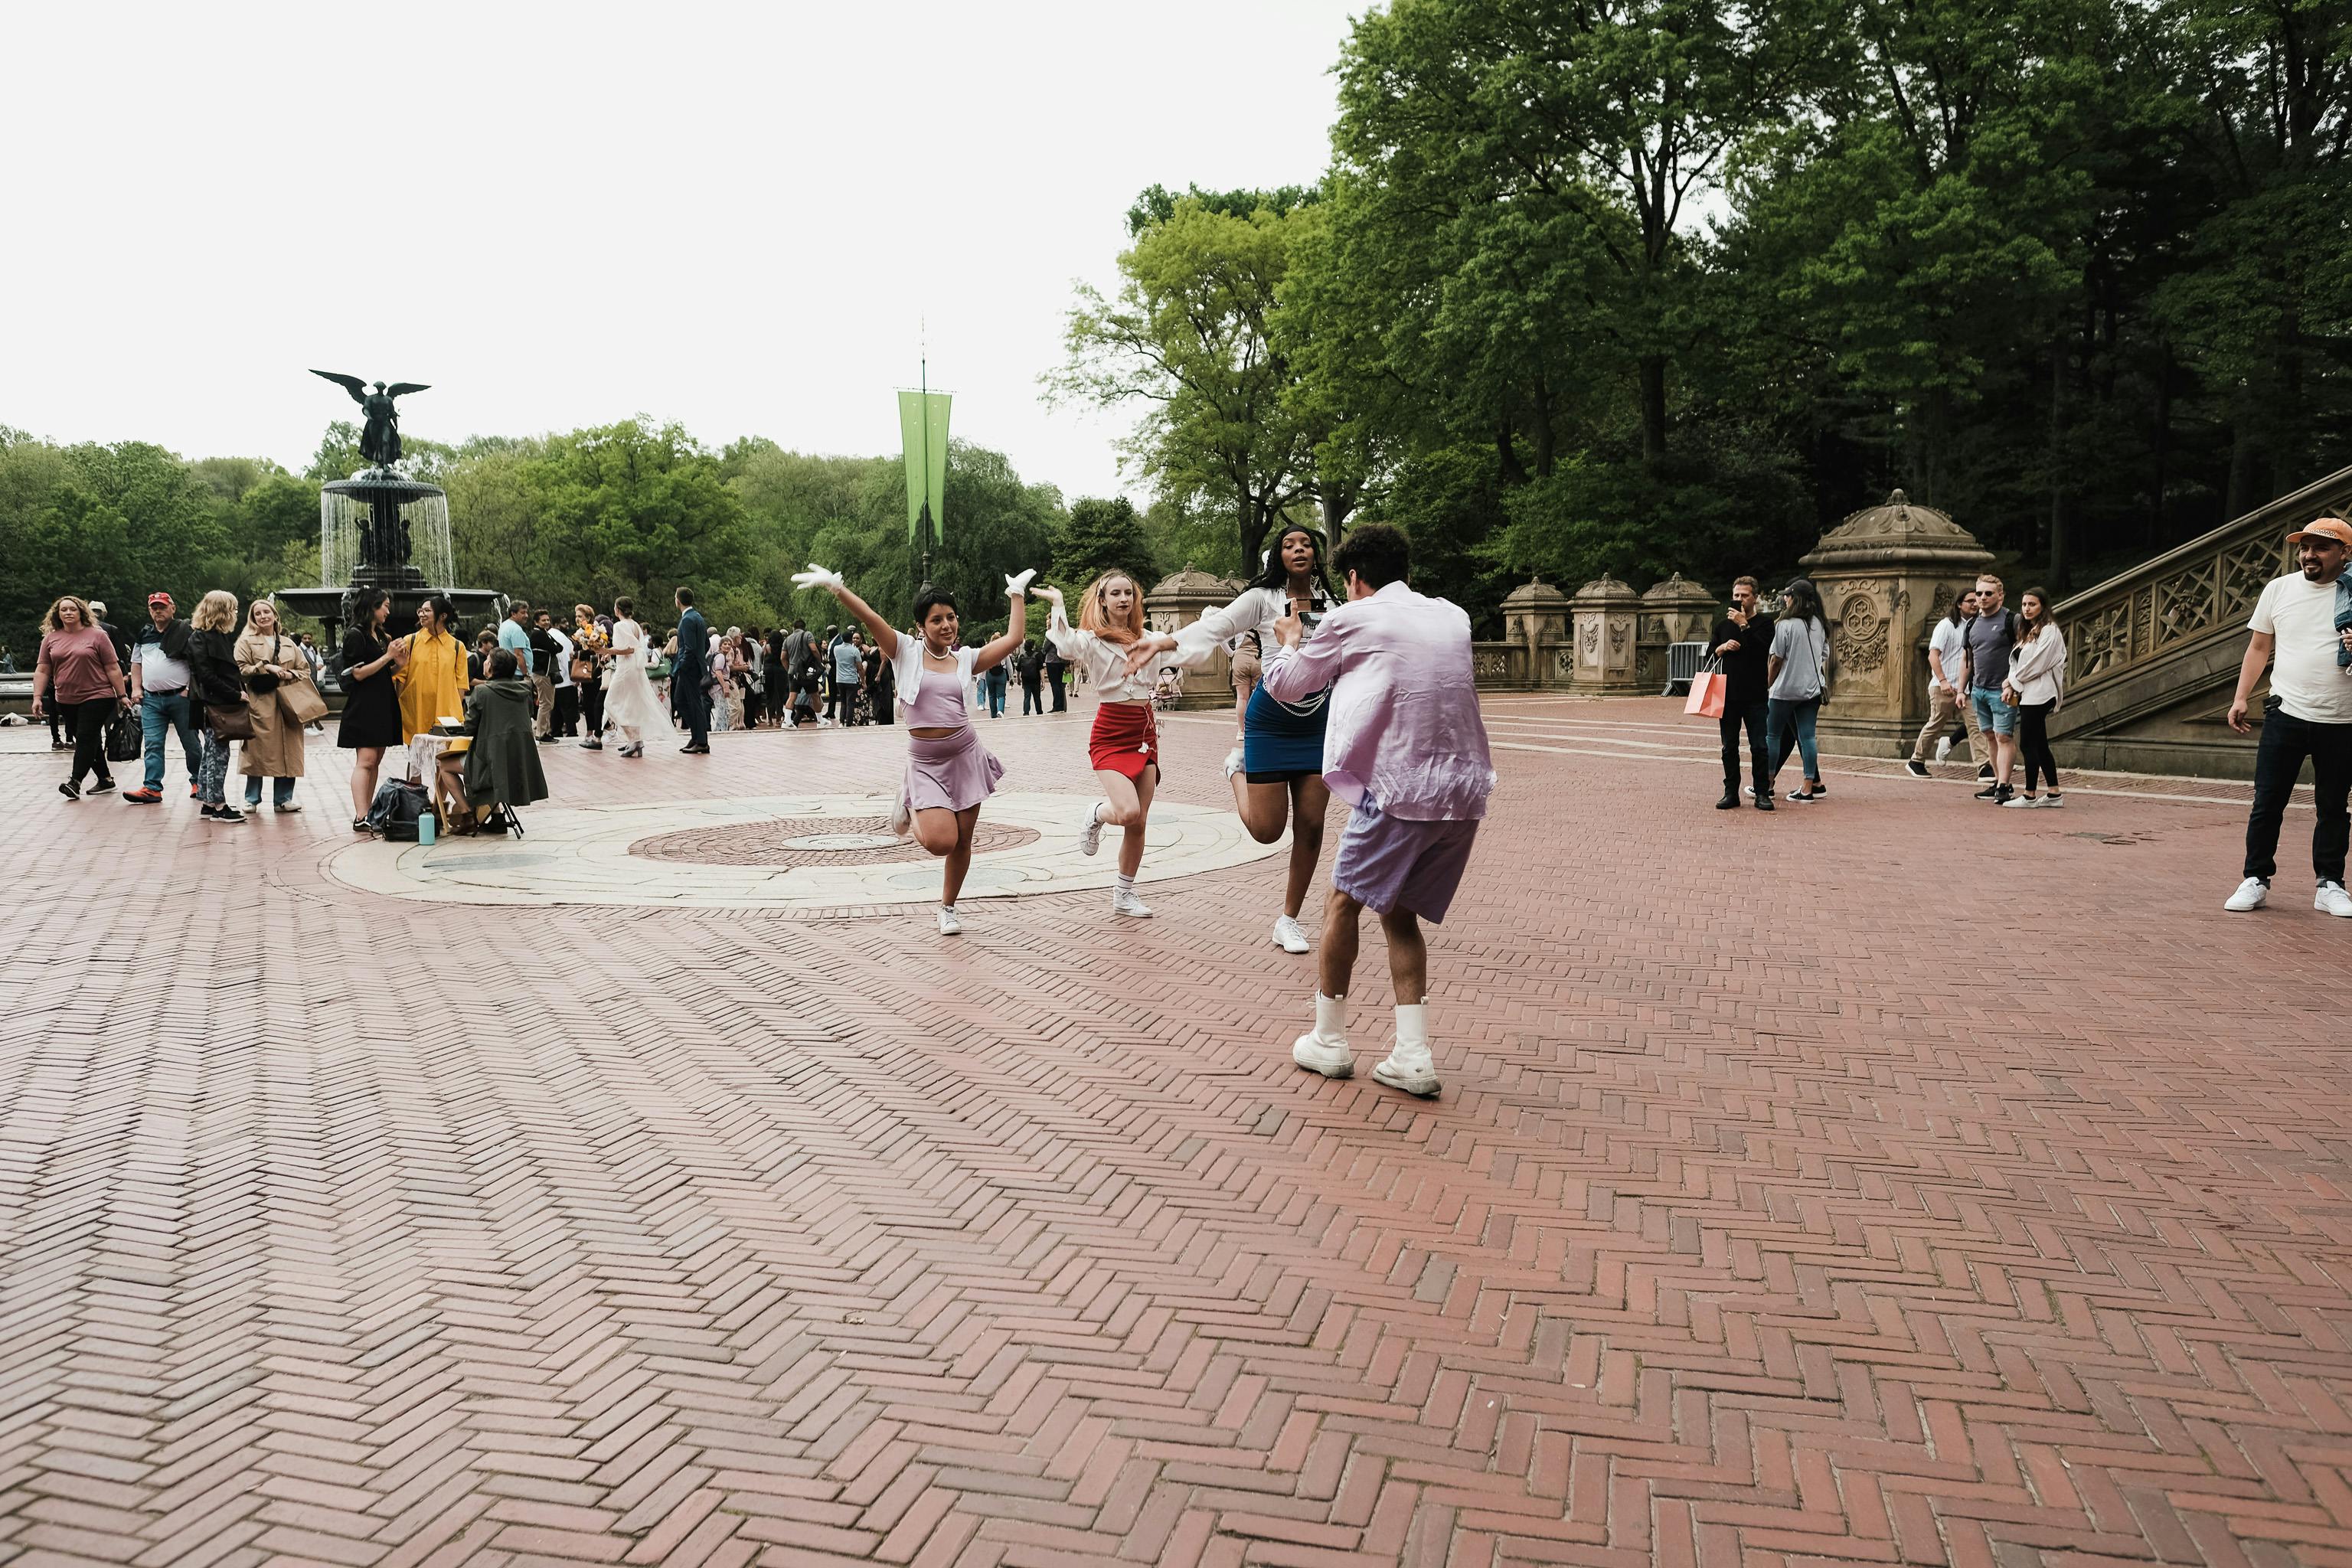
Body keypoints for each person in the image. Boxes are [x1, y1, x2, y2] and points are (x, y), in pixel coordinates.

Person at [1270, 525, 1494, 1098]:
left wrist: (1288, 641)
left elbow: (1291, 688)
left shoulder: (1353, 617)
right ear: (1407, 570)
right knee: (1397, 911)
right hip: (1464, 791)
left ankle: (1329, 1040)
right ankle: (1413, 1056)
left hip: (1399, 787)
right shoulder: (1453, 616)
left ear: (1353, 579)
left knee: (1341, 901)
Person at [795, 561, 1035, 933]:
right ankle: (909, 800)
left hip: (966, 756)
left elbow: (1013, 639)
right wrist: (837, 589)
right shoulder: (902, 650)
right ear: (921, 626)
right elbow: (872, 618)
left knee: (962, 843)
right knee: (942, 842)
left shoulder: (966, 658)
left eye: (951, 617)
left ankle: (948, 907)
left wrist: (1016, 594)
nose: (947, 625)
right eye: (937, 619)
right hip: (924, 762)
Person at [1138, 523, 1339, 956]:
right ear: (1278, 556)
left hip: (1318, 721)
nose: (1299, 549)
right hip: (1271, 720)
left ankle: (1289, 920)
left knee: (1312, 825)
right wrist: (1161, 644)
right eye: (1289, 545)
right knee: (1268, 832)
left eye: (1306, 543)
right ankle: (1235, 768)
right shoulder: (1262, 600)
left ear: (1316, 553)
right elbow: (1213, 629)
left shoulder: (1333, 603)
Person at [2226, 516, 2352, 914]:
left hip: (2342, 718)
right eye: (2304, 547)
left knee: (2333, 806)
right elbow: (2259, 647)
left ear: (2345, 553)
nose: (2309, 555)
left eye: (2321, 547)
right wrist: (2241, 696)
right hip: (2286, 712)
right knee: (2268, 801)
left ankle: (2330, 883)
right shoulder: (2279, 589)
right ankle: (2255, 878)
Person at [1040, 573, 1164, 918]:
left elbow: (1185, 648)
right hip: (1110, 733)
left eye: (1129, 592)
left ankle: (1124, 893)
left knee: (1139, 823)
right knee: (1127, 813)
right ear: (1103, 601)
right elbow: (1064, 645)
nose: (1124, 598)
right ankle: (1096, 813)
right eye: (1116, 593)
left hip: (1144, 731)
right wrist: (1059, 604)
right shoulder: (1092, 641)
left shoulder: (1151, 638)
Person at [31, 596, 127, 801]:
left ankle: (75, 782)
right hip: (66, 698)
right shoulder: (51, 638)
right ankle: (105, 779)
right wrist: (37, 697)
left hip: (98, 695)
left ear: (81, 612)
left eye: (72, 609)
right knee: (89, 739)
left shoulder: (98, 636)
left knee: (85, 737)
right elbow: (43, 669)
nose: (68, 613)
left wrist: (122, 695)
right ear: (57, 614)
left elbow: (112, 667)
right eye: (63, 610)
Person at [233, 599, 311, 813]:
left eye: (267, 612)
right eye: (258, 614)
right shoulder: (245, 642)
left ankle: (284, 799)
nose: (263, 616)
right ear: (253, 618)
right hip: (260, 701)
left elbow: (305, 671)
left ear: (275, 615)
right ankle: (251, 798)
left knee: (289, 749)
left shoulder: (289, 643)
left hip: (288, 702)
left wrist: (288, 673)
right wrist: (266, 667)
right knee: (257, 750)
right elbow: (240, 670)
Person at [122, 592, 201, 805]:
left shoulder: (186, 631)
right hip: (151, 699)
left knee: (191, 743)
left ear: (172, 608)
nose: (158, 611)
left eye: (162, 607)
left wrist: (189, 688)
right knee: (153, 744)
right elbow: (136, 663)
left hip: (181, 697)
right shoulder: (144, 634)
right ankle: (152, 787)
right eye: (154, 607)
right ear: (149, 610)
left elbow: (197, 662)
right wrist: (136, 688)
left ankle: (199, 782)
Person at [459, 649, 549, 832]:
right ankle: (497, 816)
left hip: (489, 762)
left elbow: (469, 727)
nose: (484, 663)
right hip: (519, 761)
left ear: (492, 667)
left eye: (487, 660)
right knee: (495, 756)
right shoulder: (524, 689)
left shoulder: (482, 692)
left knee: (444, 766)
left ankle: (467, 815)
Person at [338, 588, 403, 833]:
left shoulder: (380, 635)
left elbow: (383, 673)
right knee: (365, 760)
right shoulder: (356, 635)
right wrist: (388, 657)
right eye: (384, 605)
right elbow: (358, 673)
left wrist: (399, 665)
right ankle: (360, 815)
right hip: (364, 704)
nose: (388, 610)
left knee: (375, 761)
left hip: (382, 702)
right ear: (371, 607)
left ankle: (368, 813)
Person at [1707, 577, 1775, 811]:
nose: (1739, 600)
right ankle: (1730, 793)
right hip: (1728, 695)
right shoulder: (1723, 626)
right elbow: (1709, 654)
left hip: (1755, 694)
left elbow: (1760, 651)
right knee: (1729, 747)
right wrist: (1722, 647)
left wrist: (1744, 624)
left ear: (1755, 597)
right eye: (1736, 595)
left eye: (1744, 595)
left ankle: (1762, 793)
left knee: (1759, 746)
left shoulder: (1765, 624)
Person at [1999, 588, 2067, 808]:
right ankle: (2054, 793)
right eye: (2024, 604)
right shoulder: (2027, 632)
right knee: (2039, 743)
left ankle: (2029, 795)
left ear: (2043, 607)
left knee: (2028, 743)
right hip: (2029, 693)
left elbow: (2038, 664)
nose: (2027, 609)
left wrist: (2012, 682)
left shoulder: (2050, 631)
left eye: (2032, 604)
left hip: (2041, 693)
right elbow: (2016, 663)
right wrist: (2011, 683)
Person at [1766, 579, 1831, 803]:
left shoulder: (1784, 625)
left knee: (1772, 736)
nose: (1785, 598)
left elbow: (1776, 659)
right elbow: (1824, 654)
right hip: (1811, 689)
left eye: (1787, 595)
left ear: (1795, 598)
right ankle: (1807, 788)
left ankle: (1768, 783)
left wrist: (1768, 684)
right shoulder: (1819, 624)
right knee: (1808, 737)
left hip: (1784, 689)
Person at [1958, 573, 2021, 804]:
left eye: (1988, 593)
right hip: (1978, 689)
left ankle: (2005, 786)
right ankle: (1997, 781)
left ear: (2000, 596)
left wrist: (2013, 683)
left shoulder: (2011, 621)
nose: (1982, 598)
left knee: (2004, 736)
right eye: (1979, 593)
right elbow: (1967, 658)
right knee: (1989, 736)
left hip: (2004, 690)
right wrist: (1960, 690)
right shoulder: (1972, 624)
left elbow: (2024, 655)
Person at [1907, 588, 1981, 777]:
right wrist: (1943, 681)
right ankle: (1916, 760)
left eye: (1977, 600)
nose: (1975, 604)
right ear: (1959, 604)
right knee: (1935, 724)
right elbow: (1933, 655)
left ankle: (1984, 766)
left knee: (1976, 726)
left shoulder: (1977, 625)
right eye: (1970, 601)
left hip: (1967, 689)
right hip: (1944, 687)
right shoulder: (1946, 625)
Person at [187, 590, 247, 822]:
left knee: (212, 752)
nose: (235, 613)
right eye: (232, 608)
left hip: (212, 702)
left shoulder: (209, 637)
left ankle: (209, 802)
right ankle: (219, 805)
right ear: (222, 611)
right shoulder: (203, 638)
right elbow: (206, 675)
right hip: (213, 704)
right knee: (217, 754)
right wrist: (236, 695)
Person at [395, 595, 470, 743]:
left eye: (427, 610)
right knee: (417, 760)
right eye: (420, 610)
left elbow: (461, 684)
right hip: (417, 711)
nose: (422, 614)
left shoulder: (457, 646)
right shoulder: (410, 641)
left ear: (443, 616)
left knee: (444, 761)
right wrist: (398, 710)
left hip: (446, 713)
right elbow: (401, 679)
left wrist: (457, 712)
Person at [599, 596, 667, 757]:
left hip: (626, 668)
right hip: (636, 668)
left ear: (618, 610)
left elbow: (629, 649)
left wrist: (608, 651)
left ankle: (634, 739)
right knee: (632, 705)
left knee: (610, 703)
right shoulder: (635, 624)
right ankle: (635, 740)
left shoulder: (619, 625)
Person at [673, 588, 710, 753]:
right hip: (695, 666)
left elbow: (689, 648)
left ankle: (701, 741)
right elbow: (706, 644)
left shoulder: (687, 620)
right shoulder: (697, 617)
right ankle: (696, 737)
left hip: (689, 668)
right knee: (680, 700)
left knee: (693, 703)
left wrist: (681, 665)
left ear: (678, 601)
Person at [573, 606, 609, 748]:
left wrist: (578, 654)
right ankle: (591, 731)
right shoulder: (581, 632)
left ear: (587, 617)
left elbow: (596, 650)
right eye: (576, 616)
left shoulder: (594, 630)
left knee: (593, 701)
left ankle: (595, 732)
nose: (577, 618)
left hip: (594, 670)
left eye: (580, 616)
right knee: (589, 701)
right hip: (586, 670)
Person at [543, 612, 578, 740]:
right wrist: (574, 677)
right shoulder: (561, 637)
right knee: (568, 710)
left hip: (554, 680)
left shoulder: (549, 635)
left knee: (555, 710)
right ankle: (572, 733)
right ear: (556, 624)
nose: (567, 624)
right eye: (564, 622)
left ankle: (556, 732)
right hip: (566, 679)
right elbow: (567, 658)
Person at [831, 632, 864, 726]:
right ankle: (848, 723)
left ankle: (841, 721)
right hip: (851, 680)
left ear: (842, 638)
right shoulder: (855, 651)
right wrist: (863, 681)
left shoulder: (836, 649)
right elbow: (860, 668)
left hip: (840, 680)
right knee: (850, 702)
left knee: (843, 702)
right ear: (851, 640)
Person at [867, 634, 895, 726]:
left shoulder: (881, 648)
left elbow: (884, 661)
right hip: (873, 673)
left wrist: (879, 675)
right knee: (875, 696)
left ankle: (883, 718)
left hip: (882, 674)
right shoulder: (872, 648)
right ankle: (877, 717)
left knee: (882, 696)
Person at [1017, 639, 1045, 715]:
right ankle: (1039, 711)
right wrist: (1043, 681)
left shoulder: (1022, 656)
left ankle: (1026, 712)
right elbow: (1041, 669)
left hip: (1026, 680)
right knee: (1037, 697)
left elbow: (1018, 669)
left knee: (1027, 697)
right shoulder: (1037, 655)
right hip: (1036, 680)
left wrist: (1018, 679)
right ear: (1033, 646)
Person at [1044, 635, 1068, 713]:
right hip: (1061, 661)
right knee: (1060, 684)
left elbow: (1045, 648)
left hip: (1052, 661)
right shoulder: (1062, 635)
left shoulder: (1050, 635)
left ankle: (1057, 706)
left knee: (1054, 684)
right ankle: (1061, 706)